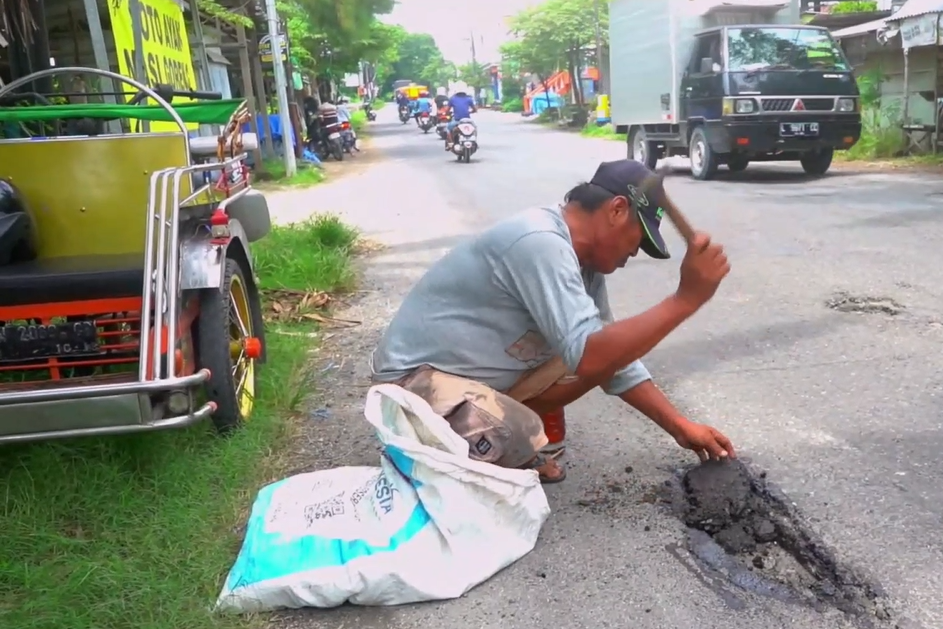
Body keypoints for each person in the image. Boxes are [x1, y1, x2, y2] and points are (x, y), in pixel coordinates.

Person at [370, 160, 735, 484]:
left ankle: (487, 440)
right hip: (411, 386)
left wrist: (679, 426)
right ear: (617, 210)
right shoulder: (539, 241)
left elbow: (615, 361)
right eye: (639, 238)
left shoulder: (584, 265)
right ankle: (455, 451)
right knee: (530, 420)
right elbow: (592, 357)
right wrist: (686, 299)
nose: (634, 252)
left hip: (462, 376)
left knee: (597, 351)